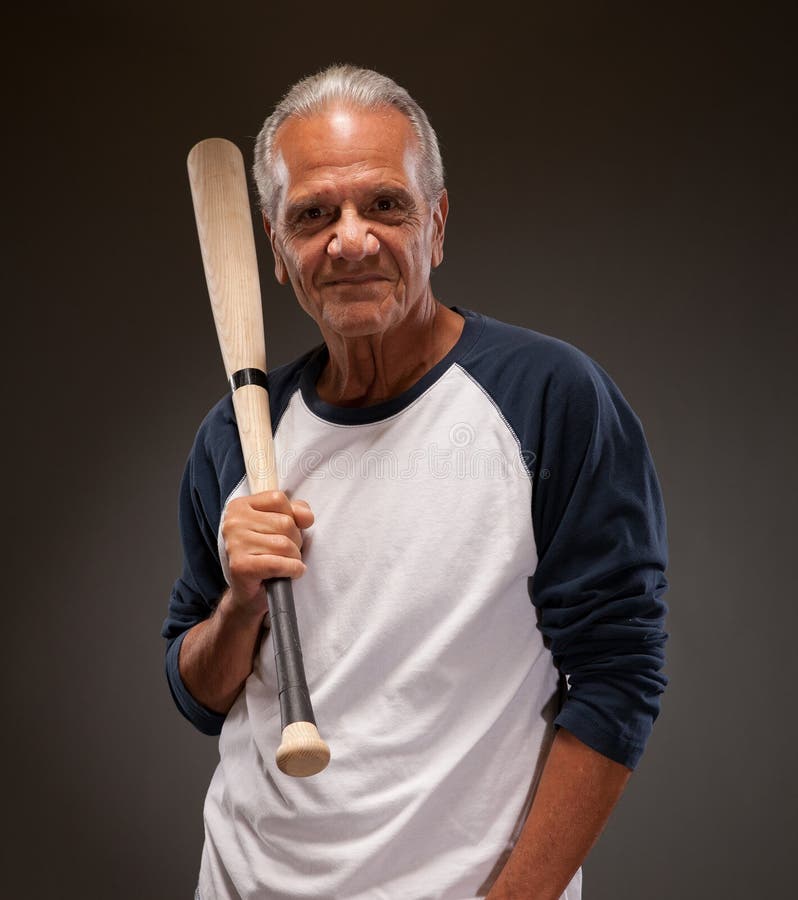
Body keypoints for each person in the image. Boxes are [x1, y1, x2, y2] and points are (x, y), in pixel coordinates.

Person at [162, 64, 668, 900]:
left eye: (385, 205)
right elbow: (197, 693)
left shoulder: (547, 400)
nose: (350, 239)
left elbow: (620, 678)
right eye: (313, 215)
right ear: (278, 253)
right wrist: (239, 604)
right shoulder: (236, 434)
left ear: (436, 223)